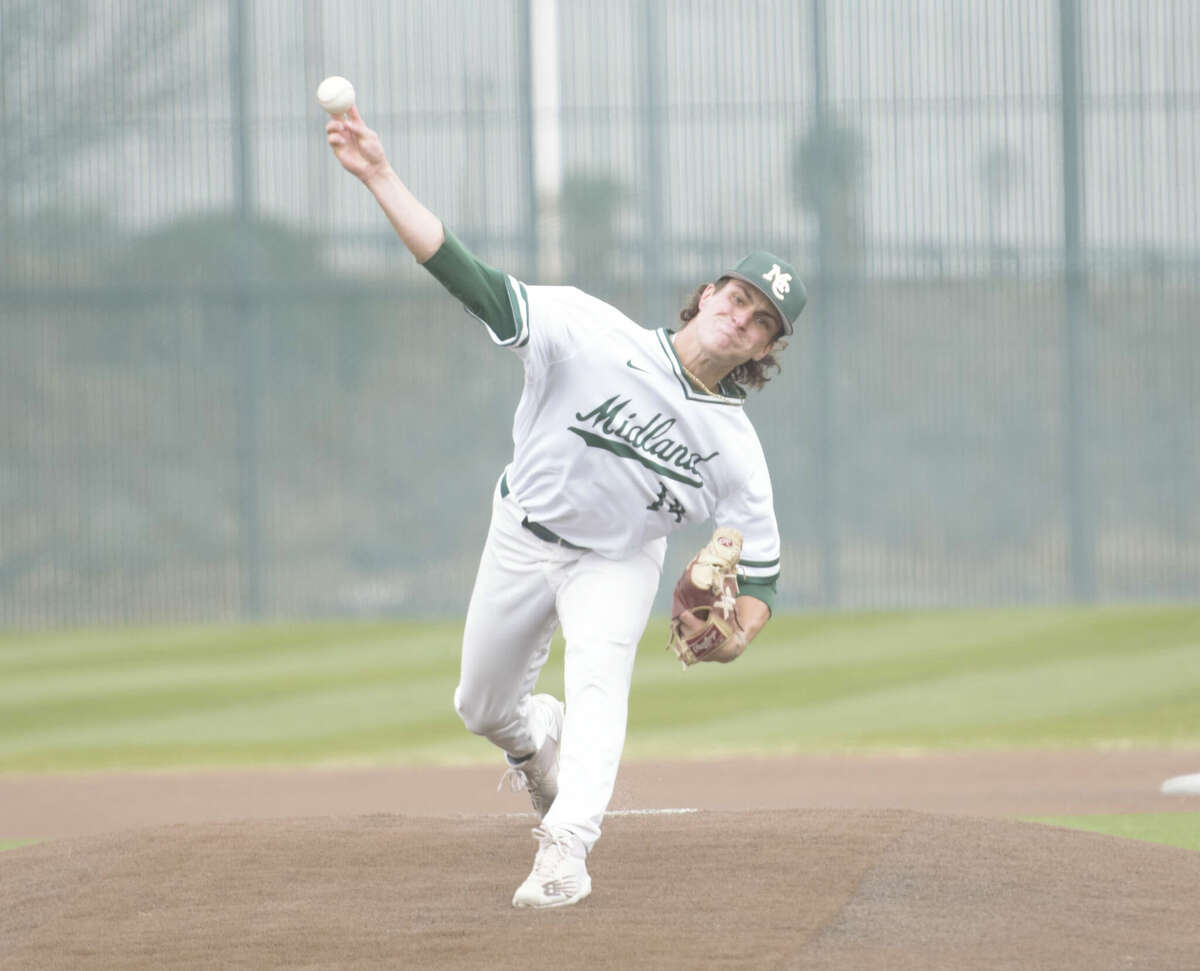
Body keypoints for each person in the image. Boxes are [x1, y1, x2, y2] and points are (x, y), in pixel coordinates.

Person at [325, 104, 806, 909]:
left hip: (615, 559)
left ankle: (566, 848)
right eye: (740, 296)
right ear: (708, 293)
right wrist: (379, 174)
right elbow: (465, 274)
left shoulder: (735, 444)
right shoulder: (587, 327)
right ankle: (532, 745)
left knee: (598, 680)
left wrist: (736, 640)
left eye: (763, 322)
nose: (743, 317)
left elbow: (761, 580)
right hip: (521, 529)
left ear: (763, 351)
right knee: (480, 704)